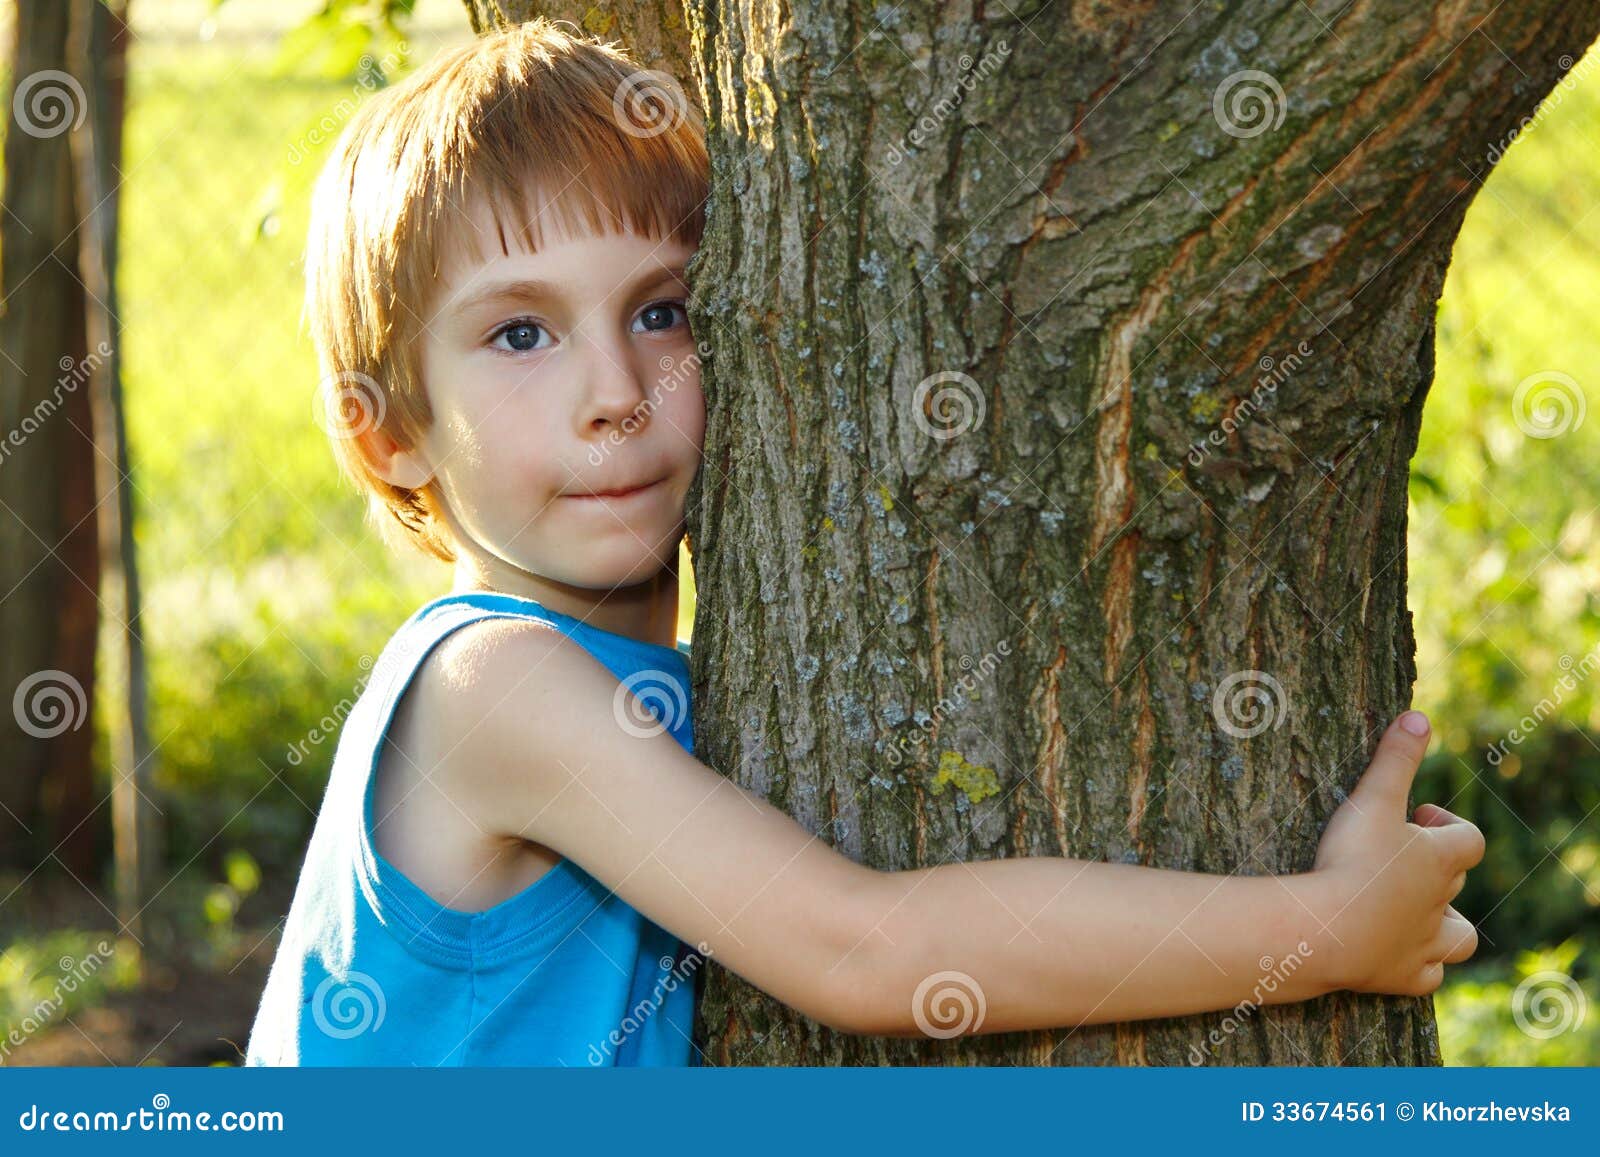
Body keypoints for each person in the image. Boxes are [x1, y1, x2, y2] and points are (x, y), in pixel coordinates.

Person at [244, 19, 1484, 1066]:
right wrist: (1325, 930)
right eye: (520, 334)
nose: (614, 390)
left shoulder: (640, 689)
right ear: (388, 432)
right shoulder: (493, 686)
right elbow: (866, 949)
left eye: (661, 311)